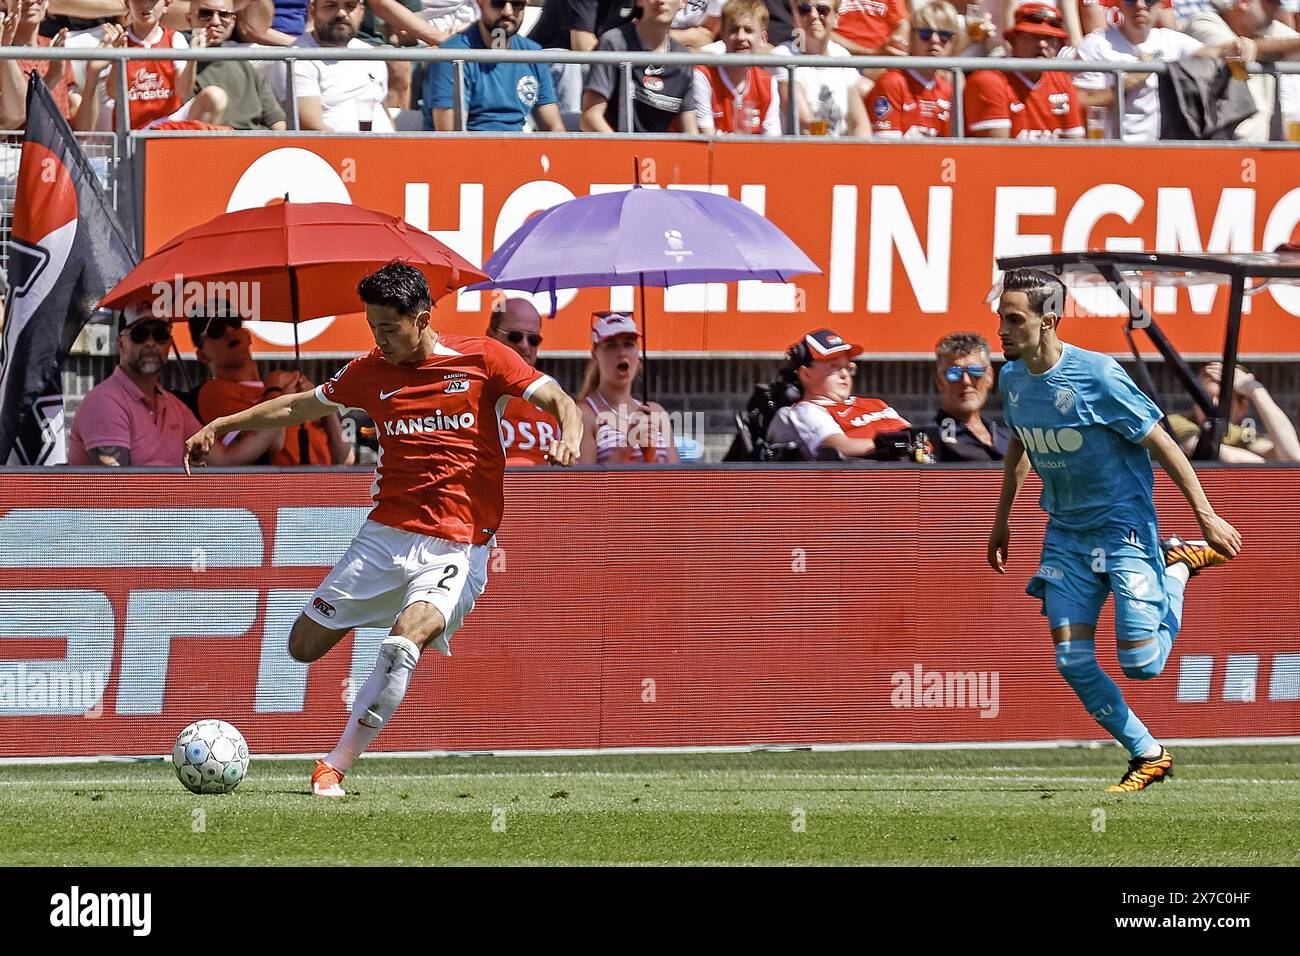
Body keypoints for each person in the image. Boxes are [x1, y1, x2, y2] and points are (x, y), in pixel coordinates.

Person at [182, 261, 583, 797]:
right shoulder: (370, 370)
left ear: (421, 319)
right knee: (301, 647)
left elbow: (560, 399)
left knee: (403, 644)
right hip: (384, 537)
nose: (380, 339)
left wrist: (569, 434)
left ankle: (334, 764)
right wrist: (222, 424)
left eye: (389, 328)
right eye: (373, 328)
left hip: (458, 546)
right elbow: (300, 406)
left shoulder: (484, 359)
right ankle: (381, 625)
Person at [988, 268, 1242, 793]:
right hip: (1066, 536)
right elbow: (1020, 444)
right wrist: (1003, 520)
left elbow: (1165, 443)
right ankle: (1148, 754)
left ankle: (1175, 566)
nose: (1003, 331)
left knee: (1143, 664)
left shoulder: (1098, 376)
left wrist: (1206, 516)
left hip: (1123, 530)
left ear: (1049, 320)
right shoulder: (1013, 379)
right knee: (1070, 657)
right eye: (1000, 319)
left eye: (1014, 319)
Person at [68, 304, 281, 466]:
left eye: (160, 334)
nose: (150, 343)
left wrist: (284, 406)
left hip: (168, 519)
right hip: (125, 523)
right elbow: (116, 492)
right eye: (140, 334)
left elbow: (226, 459)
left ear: (168, 344)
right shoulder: (105, 401)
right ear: (121, 343)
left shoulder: (173, 406)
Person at [189, 311, 355, 465]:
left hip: (326, 483)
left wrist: (322, 400)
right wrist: (278, 394)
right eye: (216, 330)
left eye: (234, 322)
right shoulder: (214, 391)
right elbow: (271, 446)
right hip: (280, 488)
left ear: (247, 334)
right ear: (201, 355)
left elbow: (346, 458)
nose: (229, 330)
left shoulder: (283, 384)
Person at [1074, 0, 1227, 142]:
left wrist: (1246, 46)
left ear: (1161, 5)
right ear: (1118, 3)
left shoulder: (1169, 39)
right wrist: (1128, 82)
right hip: (1113, 154)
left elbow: (1216, 53)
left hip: (1160, 154)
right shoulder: (1097, 44)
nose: (1140, 4)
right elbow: (1077, 101)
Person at [73, 0, 229, 130]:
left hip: (169, 125)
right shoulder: (117, 39)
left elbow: (183, 91)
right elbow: (114, 94)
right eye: (139, 0)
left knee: (215, 96)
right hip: (132, 129)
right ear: (128, 4)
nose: (146, 6)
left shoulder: (175, 38)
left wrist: (192, 57)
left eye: (153, 1)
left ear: (166, 5)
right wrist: (117, 60)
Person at [765, 328, 911, 460]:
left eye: (848, 368)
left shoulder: (876, 404)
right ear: (806, 374)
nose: (844, 374)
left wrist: (913, 443)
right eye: (834, 367)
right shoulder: (809, 410)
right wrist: (890, 446)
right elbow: (840, 447)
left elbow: (916, 435)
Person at [422, 0, 564, 131]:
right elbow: (450, 137)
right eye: (498, 2)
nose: (508, 11)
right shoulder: (452, 54)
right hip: (471, 152)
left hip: (517, 151)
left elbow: (554, 127)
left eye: (517, 3)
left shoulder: (533, 53)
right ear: (480, 2)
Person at [1183, 0, 1300, 142]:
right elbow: (1236, 52)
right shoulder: (1203, 23)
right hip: (1215, 146)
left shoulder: (1269, 27)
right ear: (1244, 2)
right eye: (1271, 2)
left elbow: (1291, 44)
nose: (1278, 8)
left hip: (1260, 150)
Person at [964, 2, 1084, 139]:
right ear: (1013, 40)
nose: (1042, 44)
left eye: (1050, 38)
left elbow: (1076, 148)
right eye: (1033, 36)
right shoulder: (988, 80)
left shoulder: (1062, 80)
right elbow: (996, 154)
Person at [269, 0, 390, 131]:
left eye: (350, 6)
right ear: (312, 11)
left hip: (387, 145)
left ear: (361, 11)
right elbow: (311, 127)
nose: (341, 13)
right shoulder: (296, 58)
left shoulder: (370, 54)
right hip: (335, 149)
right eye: (330, 6)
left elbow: (383, 111)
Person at [577, 312, 681, 464]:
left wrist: (653, 460)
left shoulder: (655, 411)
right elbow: (587, 485)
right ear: (595, 355)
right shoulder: (583, 413)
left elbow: (678, 481)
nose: (622, 353)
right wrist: (627, 444)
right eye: (611, 345)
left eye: (629, 344)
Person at [582, 0, 700, 133]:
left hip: (659, 152)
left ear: (683, 2)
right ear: (639, 1)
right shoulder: (614, 43)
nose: (660, 1)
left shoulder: (682, 59)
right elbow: (590, 117)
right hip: (615, 149)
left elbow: (690, 131)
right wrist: (626, 151)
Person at [772, 0, 872, 136]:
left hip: (841, 151)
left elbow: (860, 123)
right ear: (795, 18)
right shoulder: (783, 57)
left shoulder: (841, 55)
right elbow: (804, 124)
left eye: (822, 9)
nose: (813, 15)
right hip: (805, 151)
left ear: (836, 18)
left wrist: (861, 153)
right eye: (804, 9)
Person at [1166, 361, 1300, 462]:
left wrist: (1257, 391)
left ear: (1242, 408)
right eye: (1205, 396)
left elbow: (1292, 456)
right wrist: (1270, 469)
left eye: (1223, 398)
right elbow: (1208, 450)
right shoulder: (1173, 423)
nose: (1213, 403)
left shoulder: (1236, 434)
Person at [866, 0, 960, 138]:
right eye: (925, 33)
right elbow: (886, 151)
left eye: (944, 35)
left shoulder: (948, 89)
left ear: (953, 43)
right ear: (911, 37)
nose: (935, 40)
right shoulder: (892, 83)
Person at [488, 297, 563, 466]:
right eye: (515, 337)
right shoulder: (473, 386)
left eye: (533, 340)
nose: (524, 345)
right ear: (490, 336)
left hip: (542, 489)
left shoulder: (551, 387)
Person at [192, 0, 287, 129]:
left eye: (224, 15)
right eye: (205, 13)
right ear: (189, 18)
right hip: (214, 142)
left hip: (258, 142)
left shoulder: (246, 66)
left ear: (233, 21)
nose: (215, 21)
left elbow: (277, 121)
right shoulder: (183, 69)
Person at [692, 0, 783, 135]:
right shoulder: (704, 75)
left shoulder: (768, 83)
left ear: (763, 38)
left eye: (748, 30)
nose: (741, 37)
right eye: (734, 30)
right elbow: (707, 139)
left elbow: (773, 142)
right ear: (722, 35)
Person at [932, 331, 1009, 461]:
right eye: (954, 373)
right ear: (940, 382)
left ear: (989, 376)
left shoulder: (1008, 438)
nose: (966, 381)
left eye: (976, 371)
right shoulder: (931, 440)